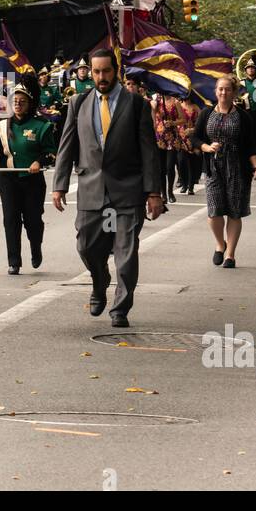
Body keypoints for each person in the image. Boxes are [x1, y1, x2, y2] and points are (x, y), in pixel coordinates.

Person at [51, 49, 165, 328]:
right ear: (90, 71)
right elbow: (67, 146)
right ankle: (99, 281)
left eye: (106, 71)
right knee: (87, 247)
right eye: (96, 71)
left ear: (117, 70)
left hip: (128, 190)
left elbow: (149, 151)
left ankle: (120, 309)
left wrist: (153, 193)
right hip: (91, 189)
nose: (101, 77)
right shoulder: (78, 103)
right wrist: (59, 185)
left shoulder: (136, 104)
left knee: (125, 254)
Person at [0, 84, 57, 275]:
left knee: (33, 220)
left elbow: (51, 153)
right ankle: (14, 261)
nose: (17, 105)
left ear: (30, 104)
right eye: (14, 101)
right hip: (8, 179)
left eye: (22, 102)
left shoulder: (42, 126)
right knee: (10, 220)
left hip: (32, 180)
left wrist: (38, 161)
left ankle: (36, 248)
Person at [195, 75, 256, 270]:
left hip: (238, 168)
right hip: (213, 168)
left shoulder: (243, 116)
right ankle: (220, 243)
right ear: (215, 91)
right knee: (214, 211)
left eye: (227, 89)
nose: (223, 93)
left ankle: (230, 254)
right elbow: (195, 138)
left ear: (234, 93)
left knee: (235, 212)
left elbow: (251, 145)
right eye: (220, 89)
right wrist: (207, 147)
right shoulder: (206, 113)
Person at [151, 91, 181, 202]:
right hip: (159, 138)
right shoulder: (156, 101)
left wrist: (173, 123)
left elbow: (182, 120)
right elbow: (153, 118)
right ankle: (163, 194)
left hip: (172, 138)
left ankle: (170, 192)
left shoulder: (176, 102)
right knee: (161, 169)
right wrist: (153, 106)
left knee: (169, 167)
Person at [176, 94, 202, 194]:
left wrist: (193, 129)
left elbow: (201, 123)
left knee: (191, 163)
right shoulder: (179, 105)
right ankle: (184, 183)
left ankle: (190, 187)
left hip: (192, 137)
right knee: (181, 162)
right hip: (180, 137)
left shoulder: (196, 107)